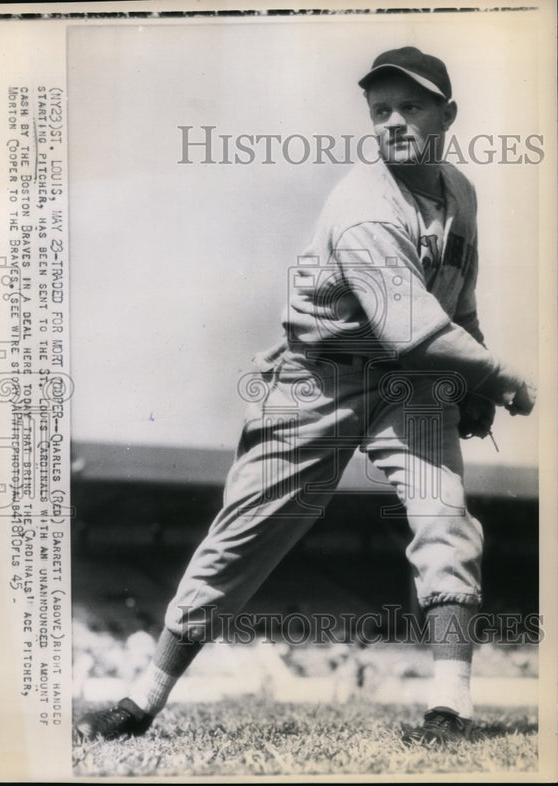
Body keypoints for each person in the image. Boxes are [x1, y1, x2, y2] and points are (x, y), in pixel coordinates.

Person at [76, 46, 536, 746]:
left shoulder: (461, 194)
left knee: (446, 522)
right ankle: (141, 700)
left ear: (449, 114)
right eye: (380, 110)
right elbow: (414, 332)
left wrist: (466, 384)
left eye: (410, 106)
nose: (393, 122)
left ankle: (450, 709)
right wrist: (502, 380)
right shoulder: (363, 206)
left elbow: (457, 304)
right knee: (243, 535)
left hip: (409, 382)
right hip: (321, 376)